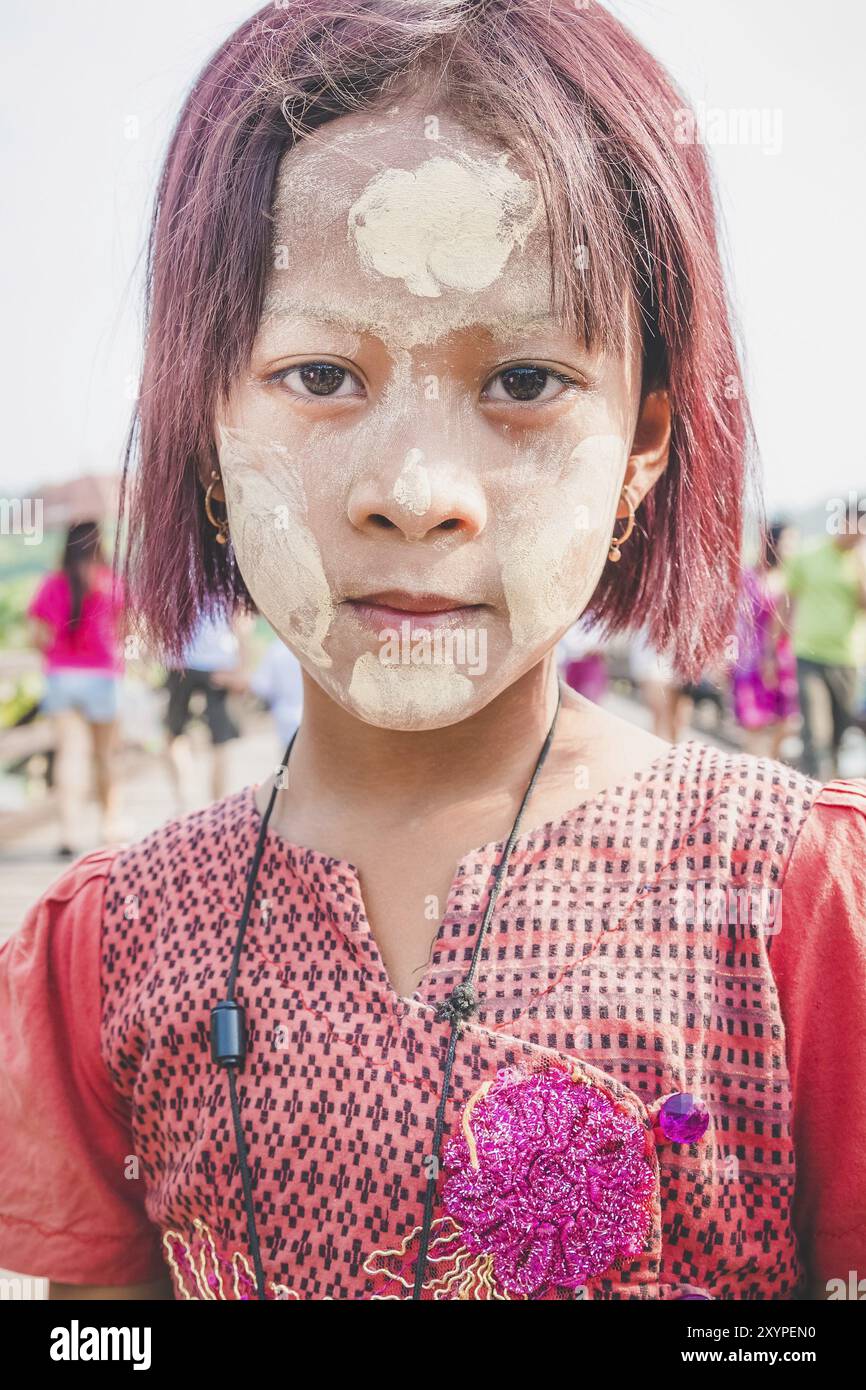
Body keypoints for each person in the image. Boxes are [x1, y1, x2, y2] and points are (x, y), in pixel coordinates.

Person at [1, 1, 865, 1305]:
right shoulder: (108, 951)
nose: (413, 491)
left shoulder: (794, 910)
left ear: (639, 449)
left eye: (520, 381)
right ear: (203, 434)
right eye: (317, 374)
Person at [25, 519, 125, 854]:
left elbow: (36, 636)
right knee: (103, 756)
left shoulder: (52, 584)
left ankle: (68, 832)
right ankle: (109, 826)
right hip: (102, 676)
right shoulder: (110, 583)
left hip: (62, 677)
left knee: (69, 754)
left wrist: (56, 651)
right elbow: (125, 632)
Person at [783, 522, 866, 778]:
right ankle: (815, 790)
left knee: (840, 732)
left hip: (847, 659)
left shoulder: (860, 562)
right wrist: (774, 649)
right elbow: (787, 601)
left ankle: (830, 787)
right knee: (816, 732)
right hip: (809, 654)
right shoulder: (809, 554)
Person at [162, 609, 253, 812]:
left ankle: (184, 802)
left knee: (176, 735)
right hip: (212, 662)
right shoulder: (228, 576)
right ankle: (215, 807)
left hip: (184, 662)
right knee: (219, 741)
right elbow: (241, 620)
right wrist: (243, 666)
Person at [731, 524, 800, 759]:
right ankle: (754, 773)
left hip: (783, 660)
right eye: (788, 541)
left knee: (787, 723)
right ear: (773, 542)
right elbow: (735, 618)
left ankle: (768, 767)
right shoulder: (749, 577)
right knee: (754, 723)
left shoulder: (792, 580)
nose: (792, 548)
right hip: (750, 659)